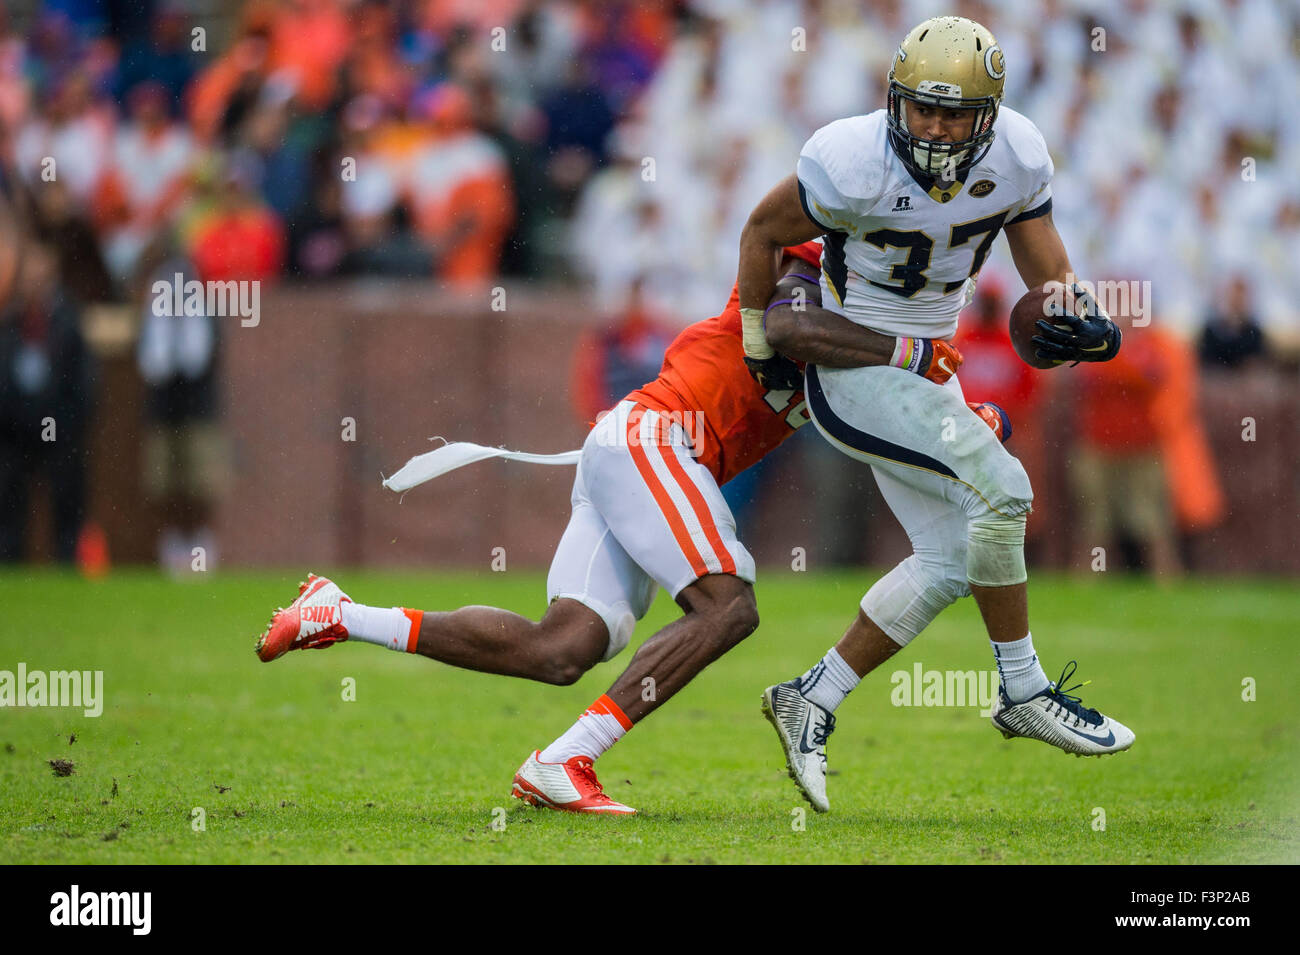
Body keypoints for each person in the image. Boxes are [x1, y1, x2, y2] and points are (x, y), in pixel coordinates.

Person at [255, 240, 989, 814]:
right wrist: (914, 363)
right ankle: (566, 758)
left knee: (564, 645)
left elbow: (878, 401)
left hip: (637, 446)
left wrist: (961, 420)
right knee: (728, 604)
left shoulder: (864, 330)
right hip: (654, 439)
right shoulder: (802, 289)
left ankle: (338, 613)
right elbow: (801, 333)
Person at [735, 16, 1135, 813]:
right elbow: (762, 229)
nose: (937, 127)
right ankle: (1022, 687)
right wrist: (756, 341)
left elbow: (1040, 249)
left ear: (989, 115)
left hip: (931, 366)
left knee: (956, 554)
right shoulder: (850, 159)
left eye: (955, 114)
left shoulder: (1018, 153)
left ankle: (810, 696)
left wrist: (1071, 302)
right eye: (924, 109)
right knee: (1007, 490)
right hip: (859, 363)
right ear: (896, 102)